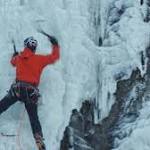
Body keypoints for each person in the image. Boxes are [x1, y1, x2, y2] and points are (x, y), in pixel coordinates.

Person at [0, 35, 60, 150]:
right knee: (34, 118)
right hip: (31, 92)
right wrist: (55, 44)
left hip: (17, 90)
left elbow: (12, 62)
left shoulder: (19, 58)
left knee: (2, 105)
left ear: (25, 46)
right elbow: (54, 57)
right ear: (34, 48)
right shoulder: (39, 59)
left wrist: (15, 55)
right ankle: (39, 140)